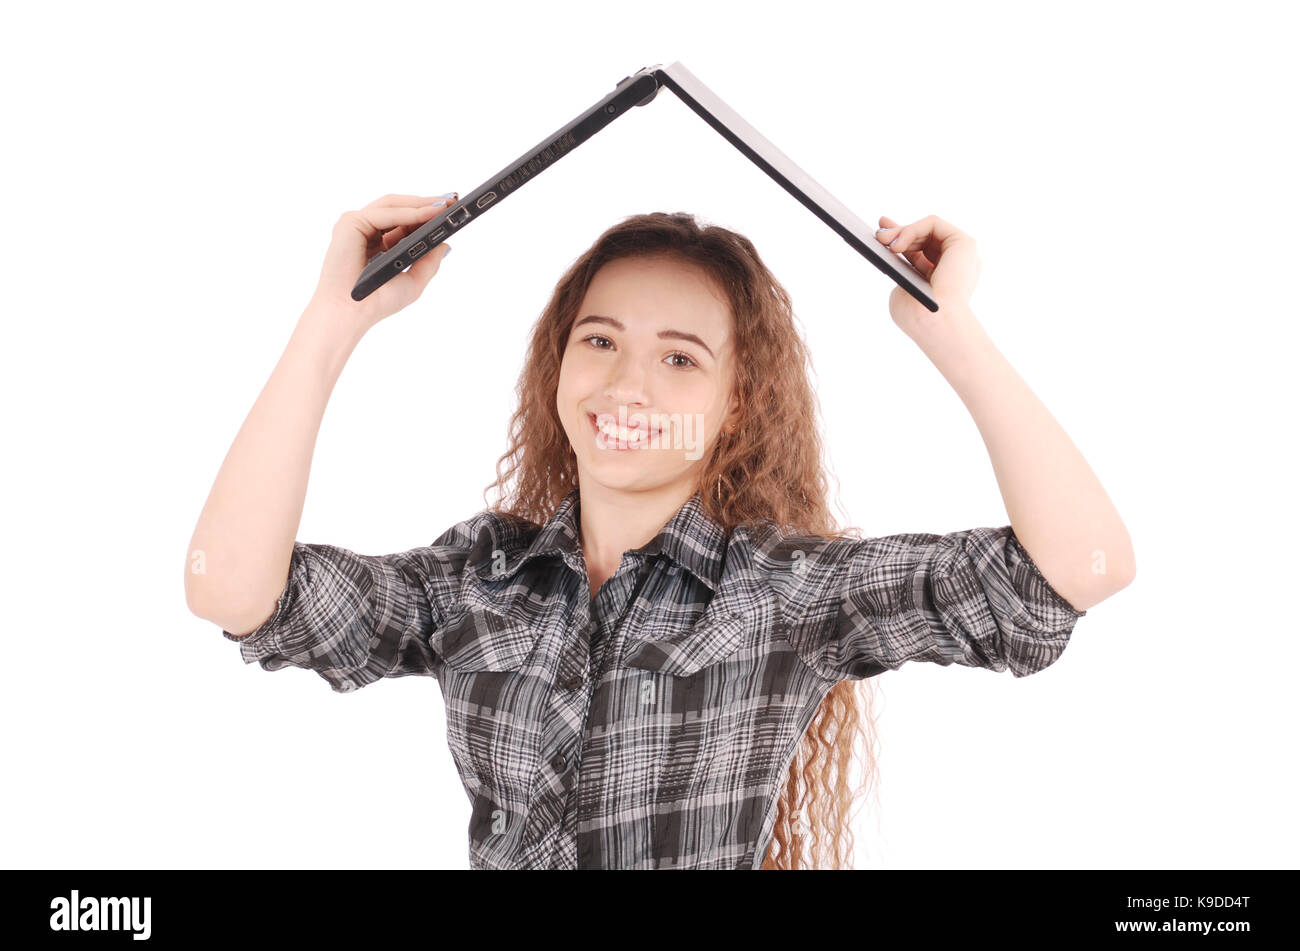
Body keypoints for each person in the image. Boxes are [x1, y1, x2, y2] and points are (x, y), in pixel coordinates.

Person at [184, 192, 1136, 869]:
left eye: (680, 359)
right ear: (559, 363)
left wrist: (949, 328)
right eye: (600, 341)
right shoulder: (478, 576)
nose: (627, 387)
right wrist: (333, 320)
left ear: (735, 406)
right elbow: (231, 588)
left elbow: (1079, 568)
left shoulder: (778, 592)